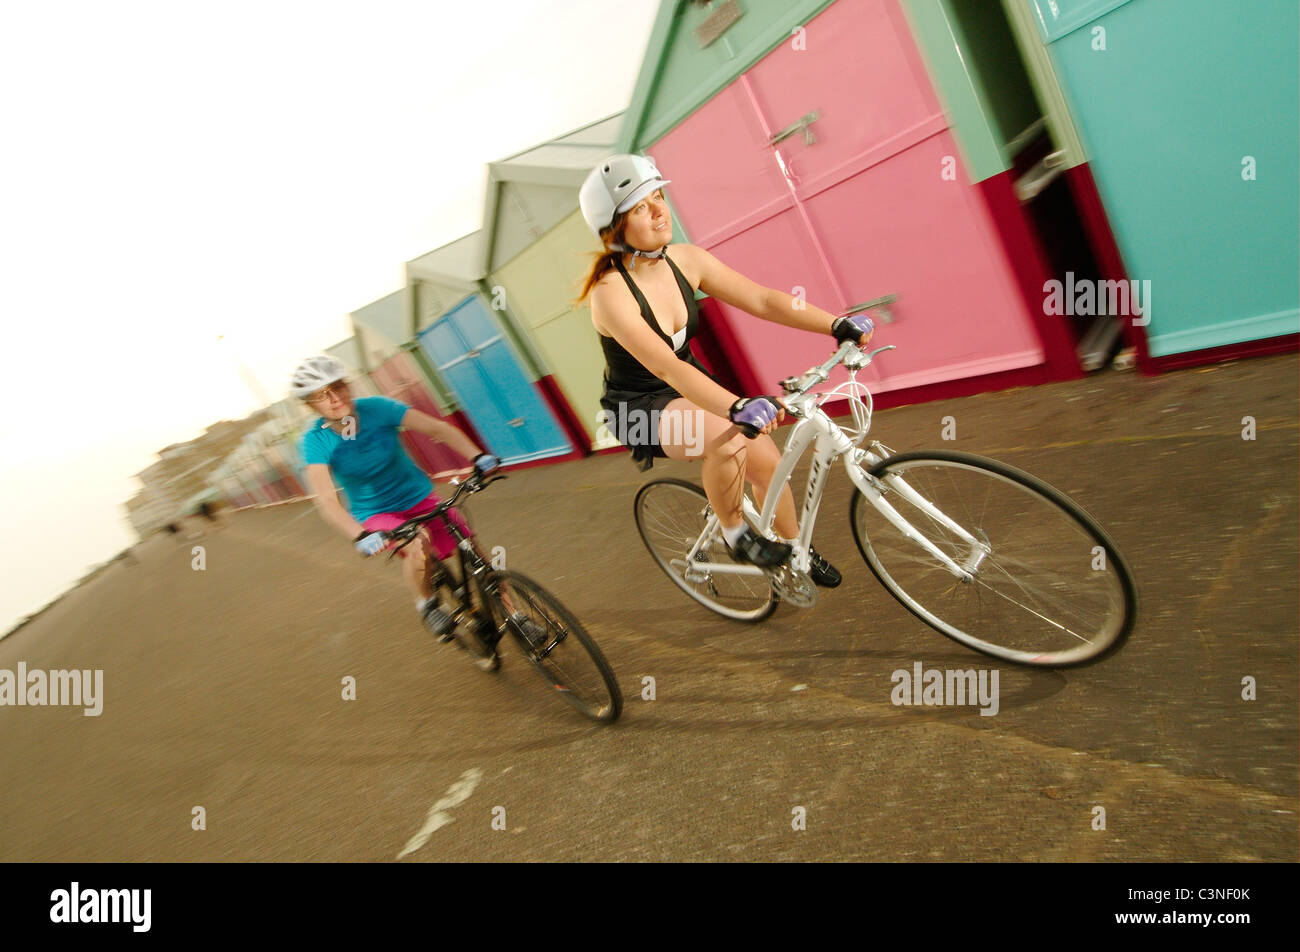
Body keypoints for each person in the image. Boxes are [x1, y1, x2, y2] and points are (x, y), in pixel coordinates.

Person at [578, 154, 875, 585]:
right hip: (638, 410)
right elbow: (667, 370)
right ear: (613, 228)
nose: (661, 211)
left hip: (689, 387)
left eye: (658, 196)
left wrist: (834, 323)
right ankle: (737, 535)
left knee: (768, 462)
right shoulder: (610, 295)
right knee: (727, 438)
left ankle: (796, 552)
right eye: (641, 206)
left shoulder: (685, 259)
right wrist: (736, 407)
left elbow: (763, 300)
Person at [291, 356, 500, 653]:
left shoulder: (377, 408)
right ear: (311, 405)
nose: (334, 398)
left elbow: (438, 429)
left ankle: (515, 613)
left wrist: (477, 457)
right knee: (418, 542)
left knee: (473, 549)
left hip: (418, 496)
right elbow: (326, 499)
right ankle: (426, 604)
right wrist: (360, 535)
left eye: (337, 386)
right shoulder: (315, 441)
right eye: (322, 395)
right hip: (377, 513)